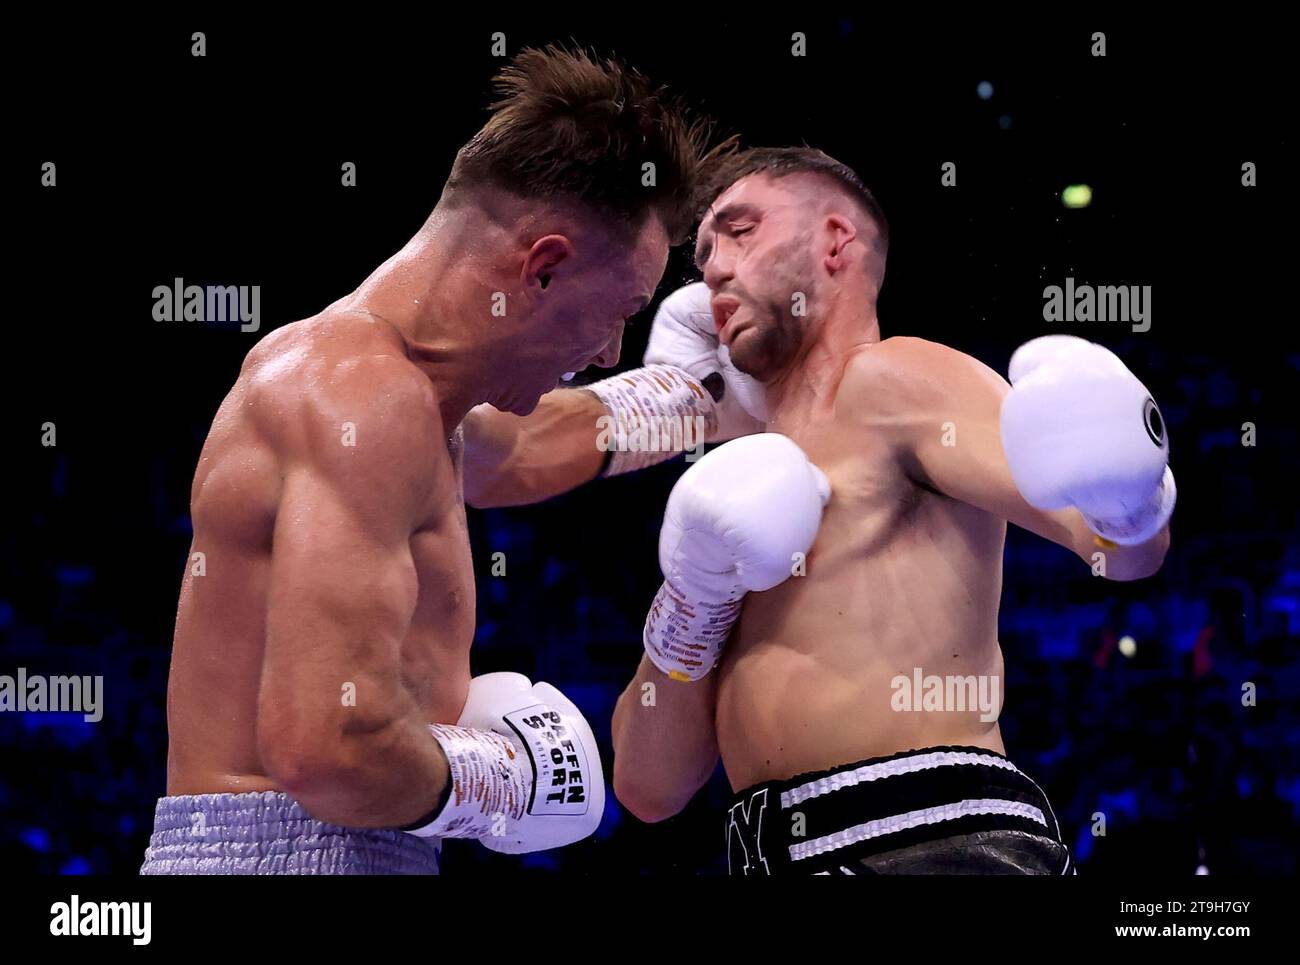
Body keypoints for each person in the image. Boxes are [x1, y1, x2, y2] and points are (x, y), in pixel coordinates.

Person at [141, 45, 712, 874]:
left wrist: (697, 396)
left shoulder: (417, 406)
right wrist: (511, 779)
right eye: (621, 310)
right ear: (543, 265)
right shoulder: (361, 400)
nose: (607, 350)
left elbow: (519, 449)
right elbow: (326, 747)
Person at [609, 147, 1176, 874]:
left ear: (836, 241)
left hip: (930, 840)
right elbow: (646, 789)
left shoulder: (891, 379)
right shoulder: (731, 492)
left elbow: (1119, 549)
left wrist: (1133, 497)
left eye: (740, 231)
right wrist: (692, 599)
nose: (714, 266)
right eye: (706, 252)